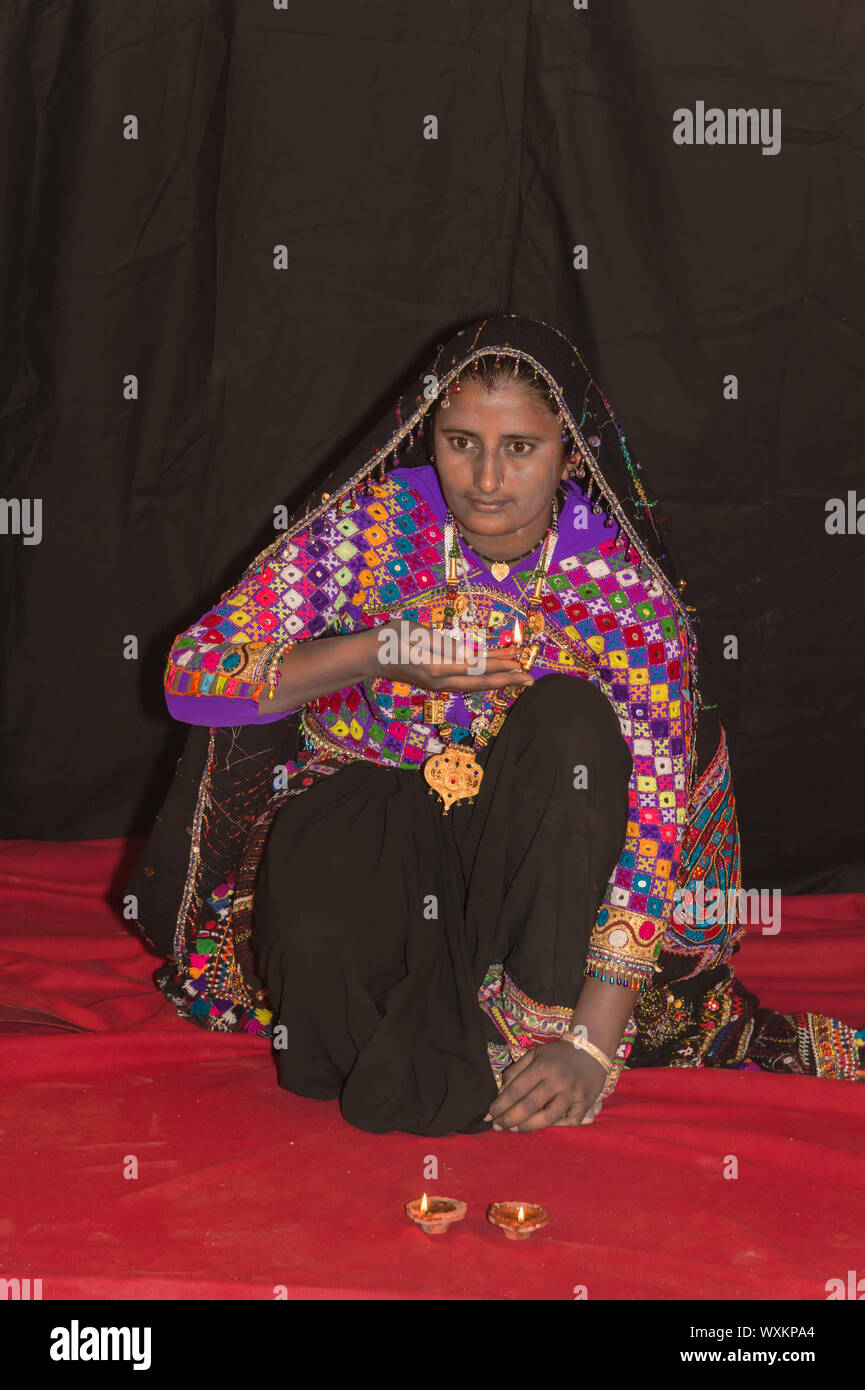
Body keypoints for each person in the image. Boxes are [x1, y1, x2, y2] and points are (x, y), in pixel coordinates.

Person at [128, 314, 864, 1137]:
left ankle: (535, 1023)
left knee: (571, 721)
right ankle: (455, 1034)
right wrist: (377, 652)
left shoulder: (614, 585)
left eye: (519, 448)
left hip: (545, 850)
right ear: (426, 436)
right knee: (322, 1046)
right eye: (458, 441)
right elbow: (191, 678)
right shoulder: (371, 532)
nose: (484, 478)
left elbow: (658, 811)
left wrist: (592, 1040)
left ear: (570, 450)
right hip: (374, 807)